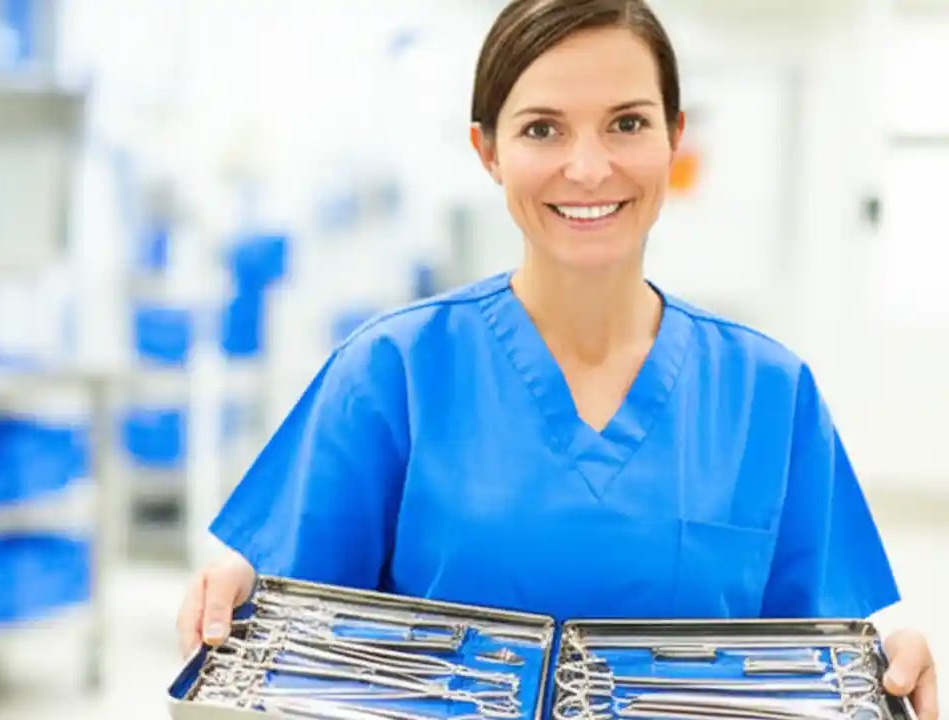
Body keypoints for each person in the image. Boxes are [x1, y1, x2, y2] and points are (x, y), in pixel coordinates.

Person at [175, 0, 939, 716]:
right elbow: (291, 641)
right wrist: (243, 601)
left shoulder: (769, 395)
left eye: (626, 123)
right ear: (488, 151)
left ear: (675, 138)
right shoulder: (393, 371)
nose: (587, 168)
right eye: (543, 129)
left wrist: (885, 662)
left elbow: (822, 663)